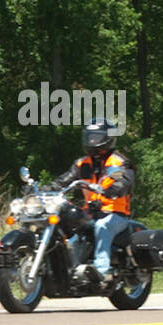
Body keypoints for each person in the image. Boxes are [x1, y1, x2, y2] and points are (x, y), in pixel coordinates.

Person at [49, 118, 135, 285]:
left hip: (115, 214)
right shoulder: (82, 164)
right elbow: (64, 180)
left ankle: (101, 272)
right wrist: (48, 188)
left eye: (96, 137)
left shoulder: (118, 162)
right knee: (67, 224)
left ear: (108, 139)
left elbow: (123, 180)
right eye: (89, 137)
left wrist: (113, 190)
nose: (92, 141)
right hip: (91, 212)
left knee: (102, 227)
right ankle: (68, 270)